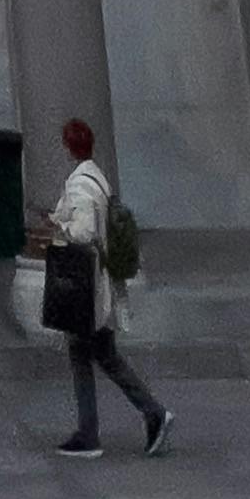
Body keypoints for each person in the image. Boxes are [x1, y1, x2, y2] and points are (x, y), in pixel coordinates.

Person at [47, 115, 170, 462]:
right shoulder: (97, 177)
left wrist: (58, 227)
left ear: (68, 148)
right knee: (103, 355)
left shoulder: (79, 184)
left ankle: (97, 431)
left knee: (85, 355)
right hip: (99, 284)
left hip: (86, 287)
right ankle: (147, 414)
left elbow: (83, 231)